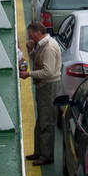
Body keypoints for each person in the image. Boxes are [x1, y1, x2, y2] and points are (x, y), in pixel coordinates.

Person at [20, 20, 62, 166]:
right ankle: (39, 151)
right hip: (44, 87)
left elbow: (48, 71)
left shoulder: (49, 48)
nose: (30, 37)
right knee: (41, 121)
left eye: (31, 35)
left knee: (47, 121)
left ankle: (46, 155)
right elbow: (40, 62)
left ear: (38, 32)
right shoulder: (43, 45)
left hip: (48, 87)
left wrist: (29, 74)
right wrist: (31, 51)